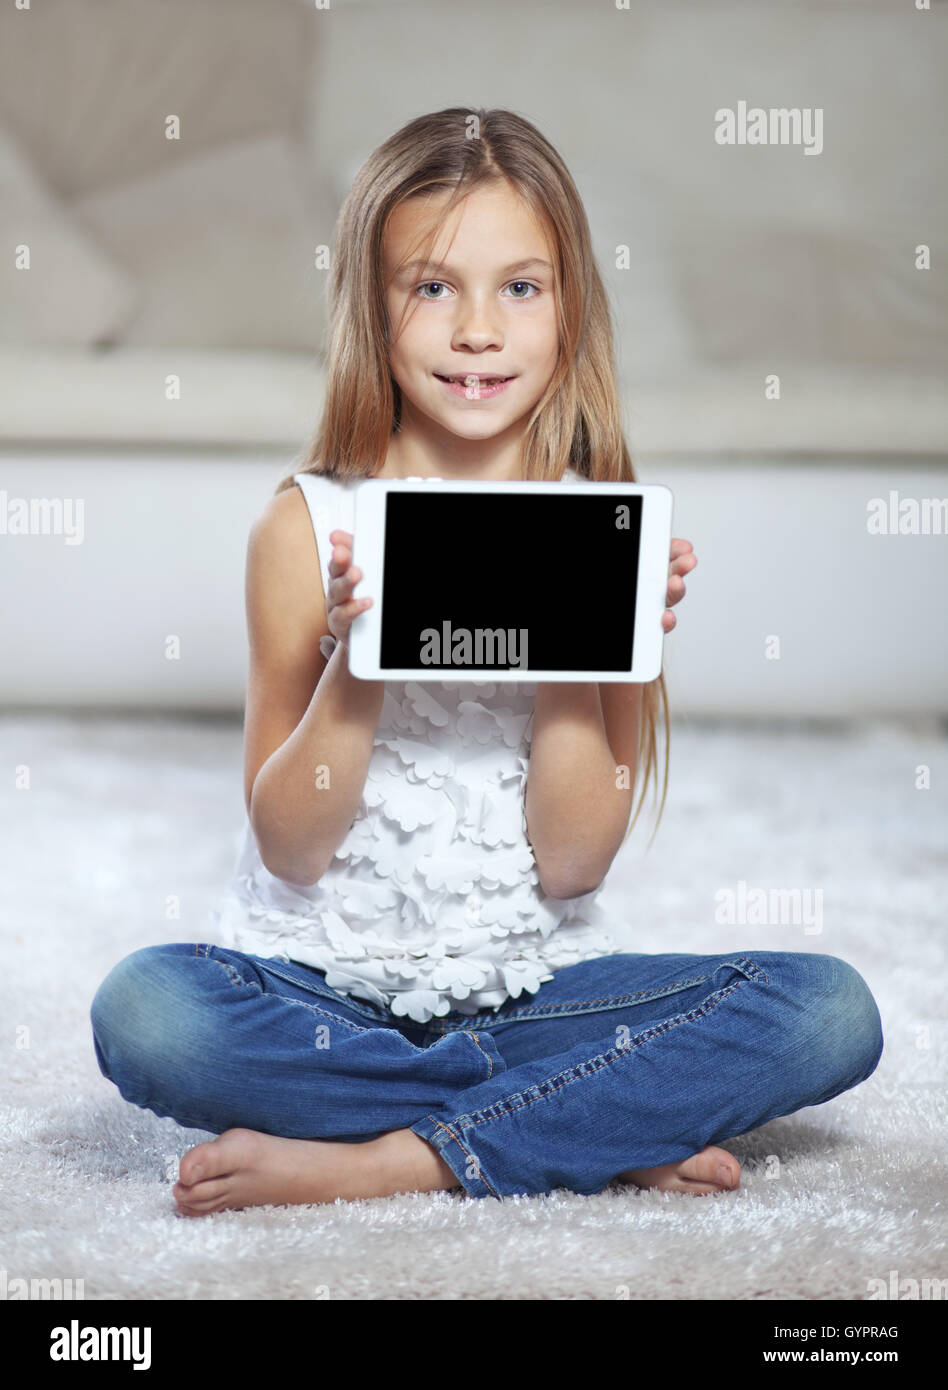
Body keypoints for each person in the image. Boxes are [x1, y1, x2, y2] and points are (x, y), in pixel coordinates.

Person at [90, 107, 883, 1215]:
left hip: (531, 995)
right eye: (430, 285)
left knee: (829, 1009)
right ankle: (584, 1123)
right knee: (147, 1011)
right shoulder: (306, 526)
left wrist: (582, 631)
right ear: (373, 306)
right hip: (322, 991)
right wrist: (361, 654)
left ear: (569, 309)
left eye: (521, 286)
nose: (478, 330)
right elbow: (291, 845)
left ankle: (392, 1158)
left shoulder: (597, 524)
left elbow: (572, 866)